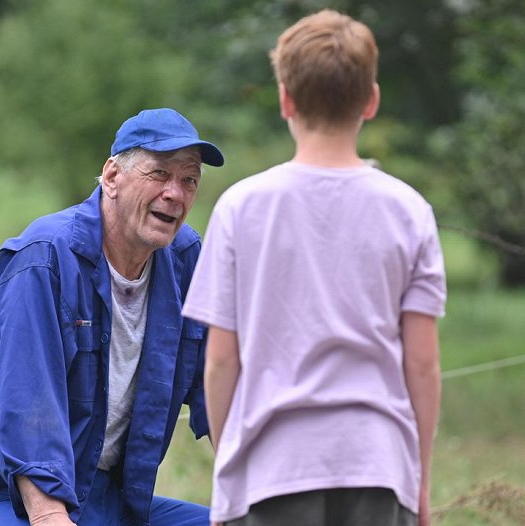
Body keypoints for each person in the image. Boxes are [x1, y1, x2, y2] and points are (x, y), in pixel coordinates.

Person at [182, 10, 446, 526]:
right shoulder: (409, 211)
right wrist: (419, 480)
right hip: (378, 465)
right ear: (371, 100)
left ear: (285, 99)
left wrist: (230, 475)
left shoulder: (241, 208)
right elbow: (422, 364)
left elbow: (221, 362)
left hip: (272, 470)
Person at [0, 108, 225, 526]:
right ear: (112, 177)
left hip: (105, 500)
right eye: (159, 173)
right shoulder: (45, 258)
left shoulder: (185, 258)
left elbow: (221, 388)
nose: (175, 193)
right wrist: (50, 515)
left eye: (189, 179)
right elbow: (25, 404)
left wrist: (261, 495)